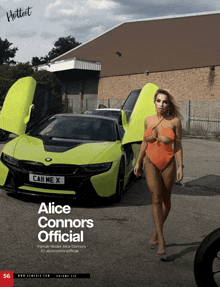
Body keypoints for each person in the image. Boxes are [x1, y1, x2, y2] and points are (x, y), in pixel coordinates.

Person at [134, 88, 183, 255]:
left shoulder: (174, 121)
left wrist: (180, 166)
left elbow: (177, 145)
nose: (161, 105)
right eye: (158, 101)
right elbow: (144, 143)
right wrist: (139, 161)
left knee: (166, 201)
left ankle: (156, 232)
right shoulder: (148, 120)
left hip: (168, 163)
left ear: (169, 104)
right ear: (154, 102)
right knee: (155, 198)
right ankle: (162, 239)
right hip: (150, 162)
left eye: (165, 101)